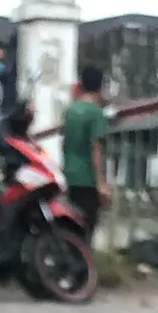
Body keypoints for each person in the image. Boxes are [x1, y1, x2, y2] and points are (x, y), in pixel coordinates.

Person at [62, 63, 110, 238]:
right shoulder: (96, 113)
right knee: (86, 228)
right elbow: (96, 148)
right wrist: (101, 184)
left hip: (69, 175)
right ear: (100, 86)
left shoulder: (70, 111)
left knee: (72, 227)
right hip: (87, 179)